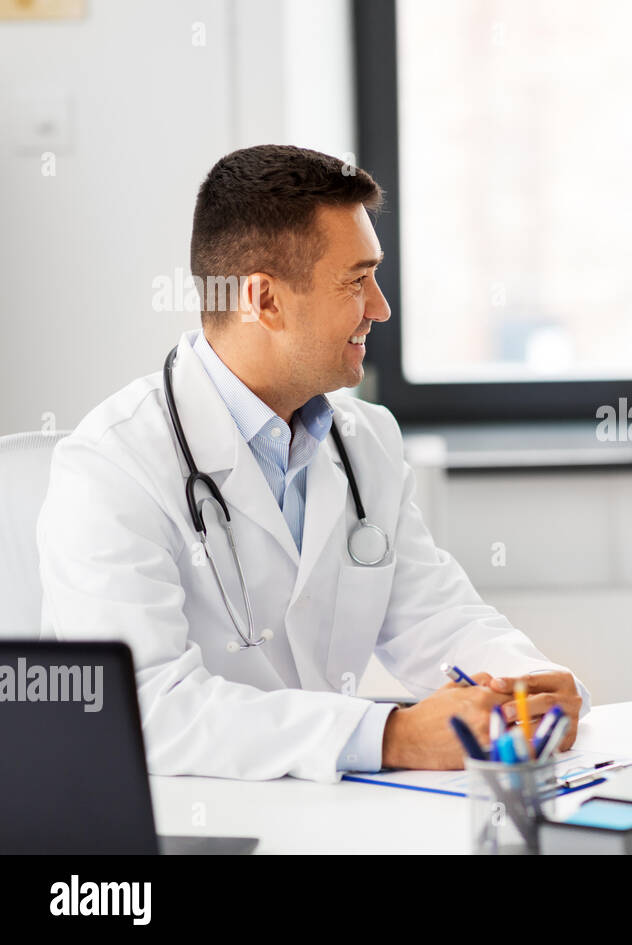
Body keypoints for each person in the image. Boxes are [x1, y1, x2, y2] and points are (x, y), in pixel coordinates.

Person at [37, 144, 588, 782]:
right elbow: (140, 709)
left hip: (321, 811)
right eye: (357, 281)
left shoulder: (365, 440)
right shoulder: (111, 466)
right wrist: (391, 735)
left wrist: (530, 691)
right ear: (265, 301)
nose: (380, 307)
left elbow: (435, 617)